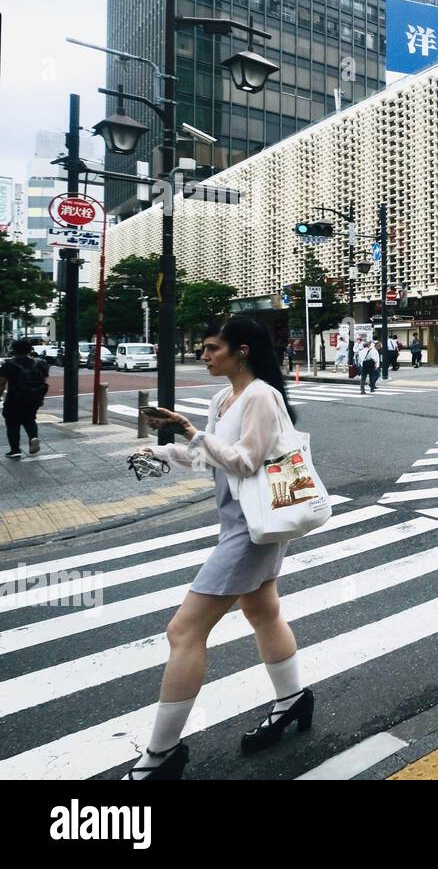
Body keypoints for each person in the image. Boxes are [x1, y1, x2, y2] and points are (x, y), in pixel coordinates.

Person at [125, 316, 314, 779]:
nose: (204, 355)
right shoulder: (222, 397)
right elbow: (204, 457)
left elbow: (245, 461)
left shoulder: (261, 396)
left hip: (252, 530)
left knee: (183, 631)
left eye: (212, 348)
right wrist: (164, 449)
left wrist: (192, 431)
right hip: (239, 524)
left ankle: (161, 754)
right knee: (264, 611)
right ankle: (293, 700)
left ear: (242, 350)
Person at [1, 339, 49, 458]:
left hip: (14, 399)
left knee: (12, 423)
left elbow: (1, 383)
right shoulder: (39, 363)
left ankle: (15, 449)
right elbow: (43, 380)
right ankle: (33, 438)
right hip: (34, 398)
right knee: (30, 419)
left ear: (14, 350)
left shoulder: (9, 365)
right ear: (30, 350)